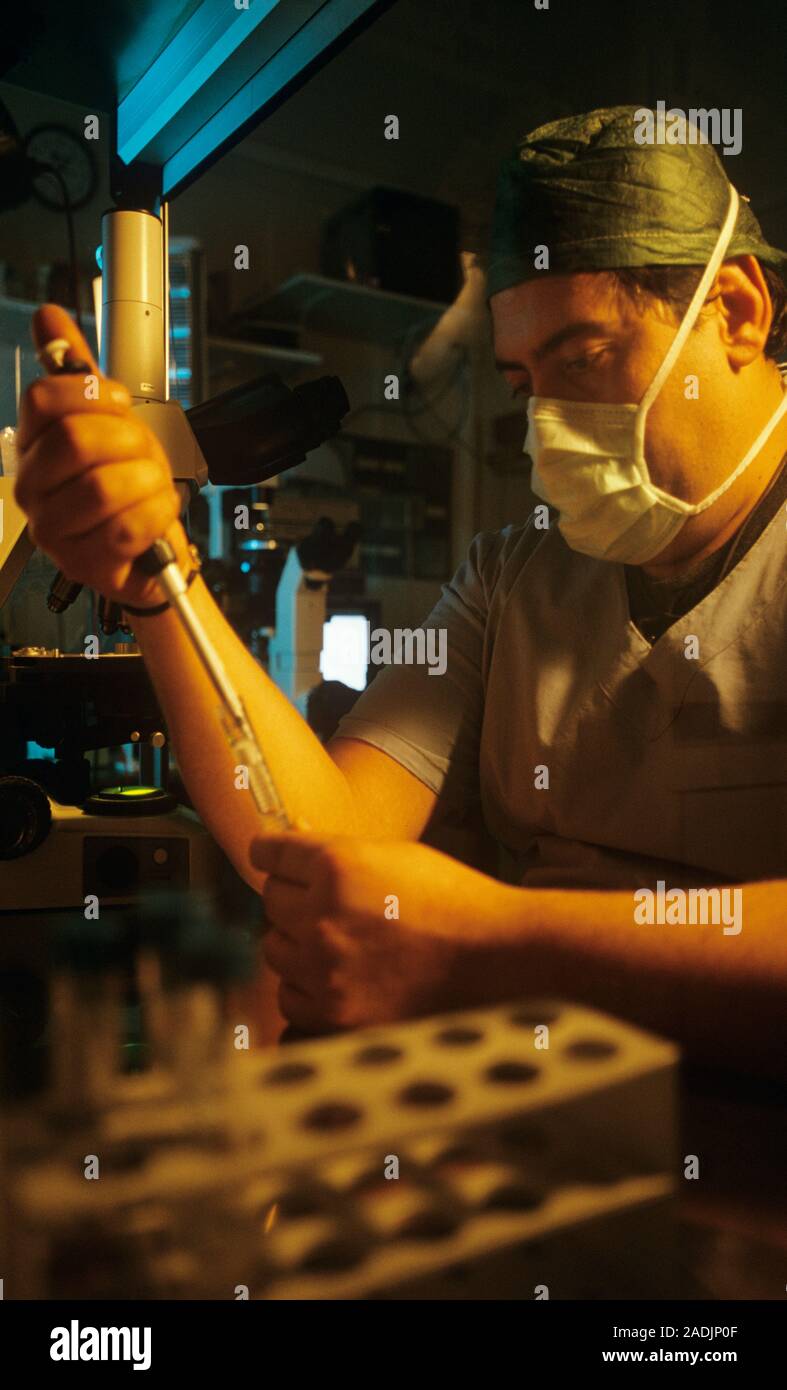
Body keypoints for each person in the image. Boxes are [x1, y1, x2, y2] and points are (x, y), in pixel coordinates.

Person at [14, 107, 787, 1077]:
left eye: (586, 359)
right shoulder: (513, 579)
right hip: (548, 1113)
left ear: (736, 313)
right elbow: (318, 839)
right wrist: (156, 577)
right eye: (522, 383)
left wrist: (498, 943)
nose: (549, 423)